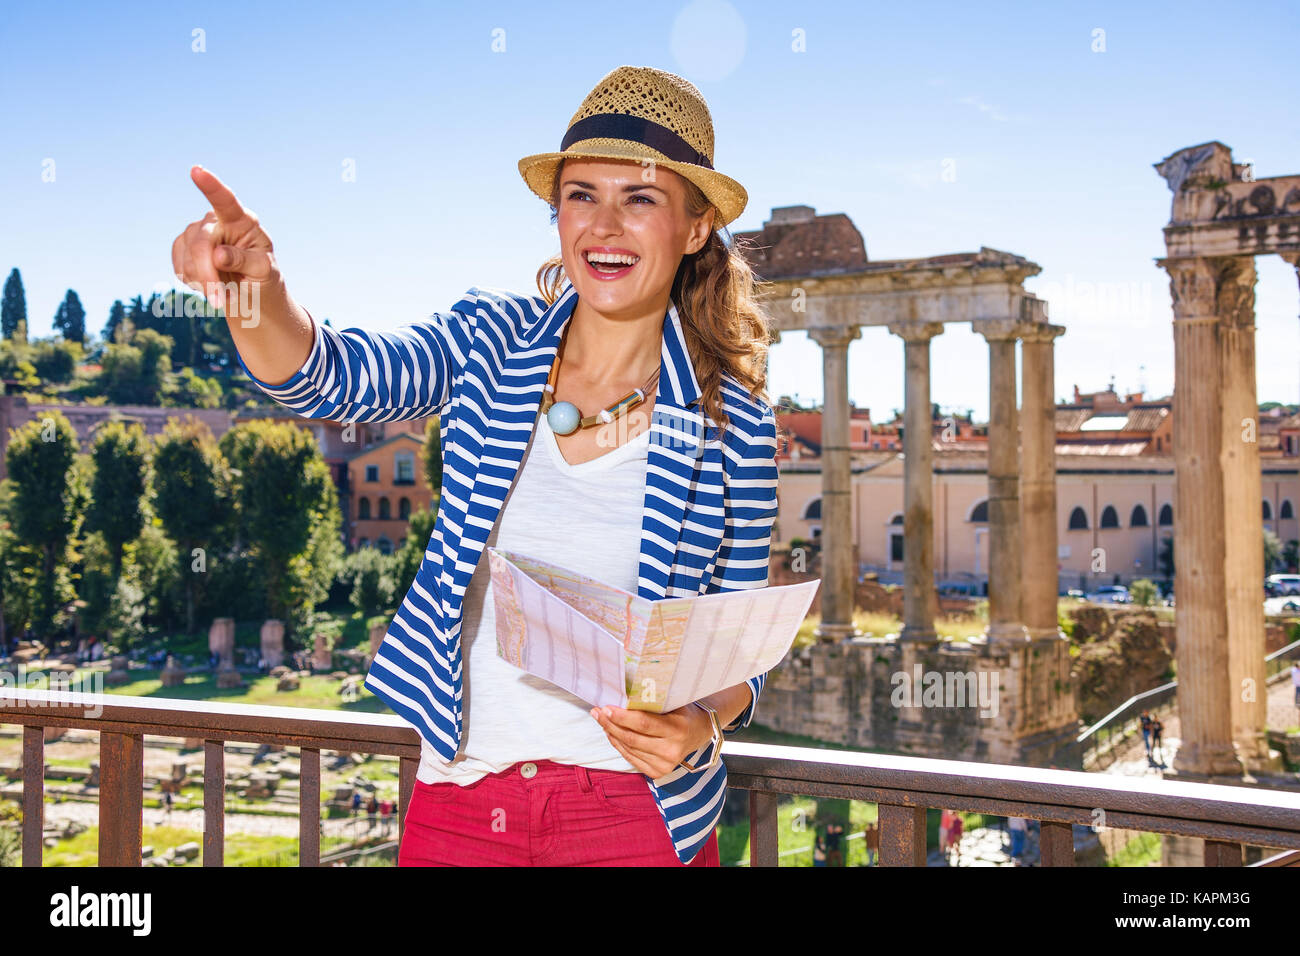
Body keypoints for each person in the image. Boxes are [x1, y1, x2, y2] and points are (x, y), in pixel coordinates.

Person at [176, 65, 775, 868]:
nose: (603, 225)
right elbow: (331, 376)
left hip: (635, 815)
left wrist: (704, 721)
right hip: (462, 802)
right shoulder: (490, 341)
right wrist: (256, 293)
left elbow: (738, 649)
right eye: (580, 195)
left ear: (696, 227)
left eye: (639, 199)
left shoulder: (733, 421)